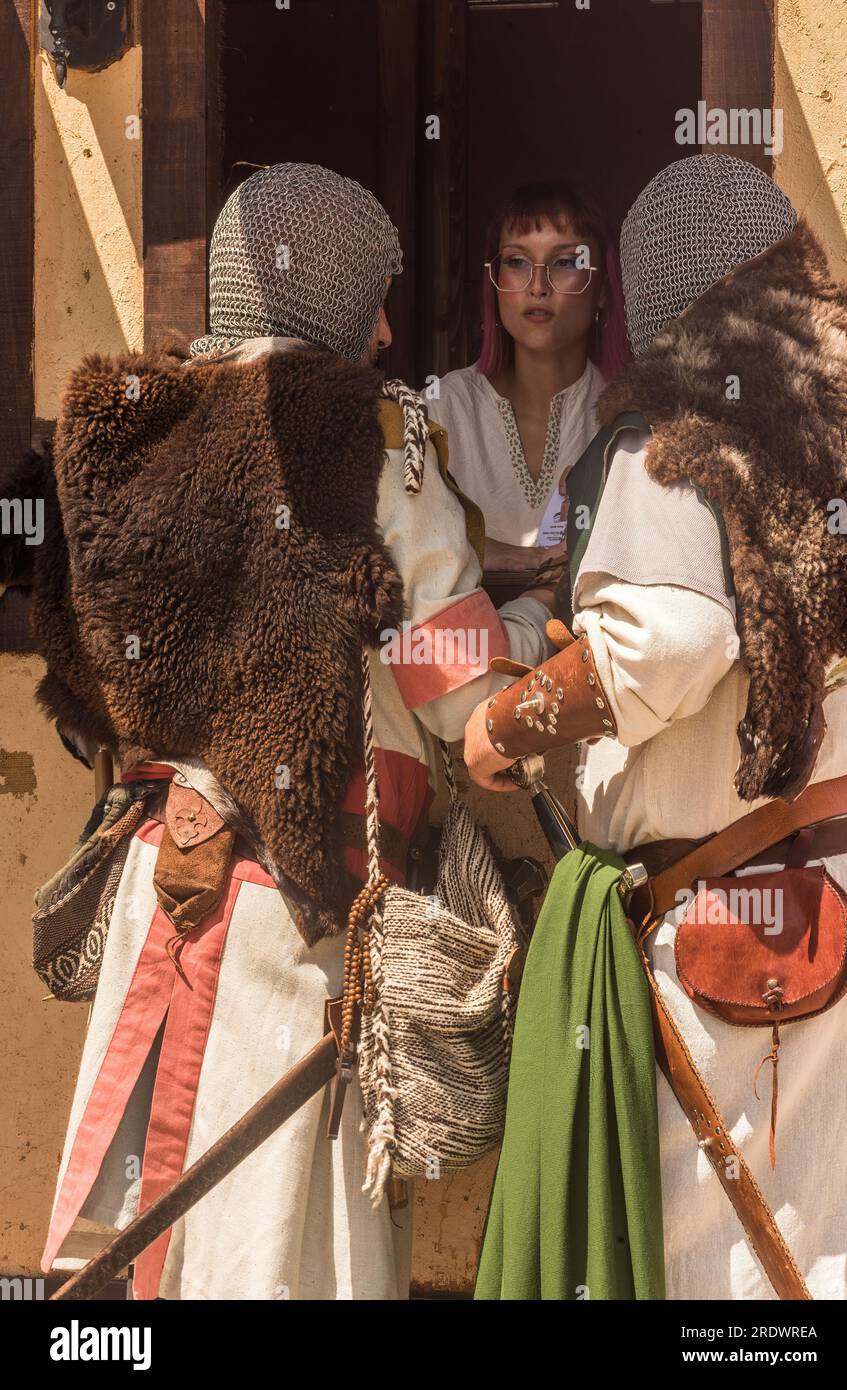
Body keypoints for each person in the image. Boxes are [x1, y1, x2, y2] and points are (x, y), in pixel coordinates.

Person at [7, 163, 556, 1301]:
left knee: (154, 1260)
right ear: (330, 291)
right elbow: (442, 678)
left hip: (162, 871)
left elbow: (84, 661)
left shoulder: (134, 424)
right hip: (297, 899)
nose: (391, 326)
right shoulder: (366, 429)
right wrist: (542, 627)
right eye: (377, 295)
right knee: (285, 1259)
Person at [464, 154, 847, 1299]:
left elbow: (674, 640)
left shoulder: (676, 436)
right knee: (829, 1241)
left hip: (738, 921)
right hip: (845, 894)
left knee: (723, 1264)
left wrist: (507, 724)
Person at [431, 182, 629, 579]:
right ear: (493, 281)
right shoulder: (442, 409)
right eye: (517, 262)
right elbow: (395, 546)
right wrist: (484, 549)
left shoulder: (625, 423)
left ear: (604, 290)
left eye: (566, 262)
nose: (538, 286)